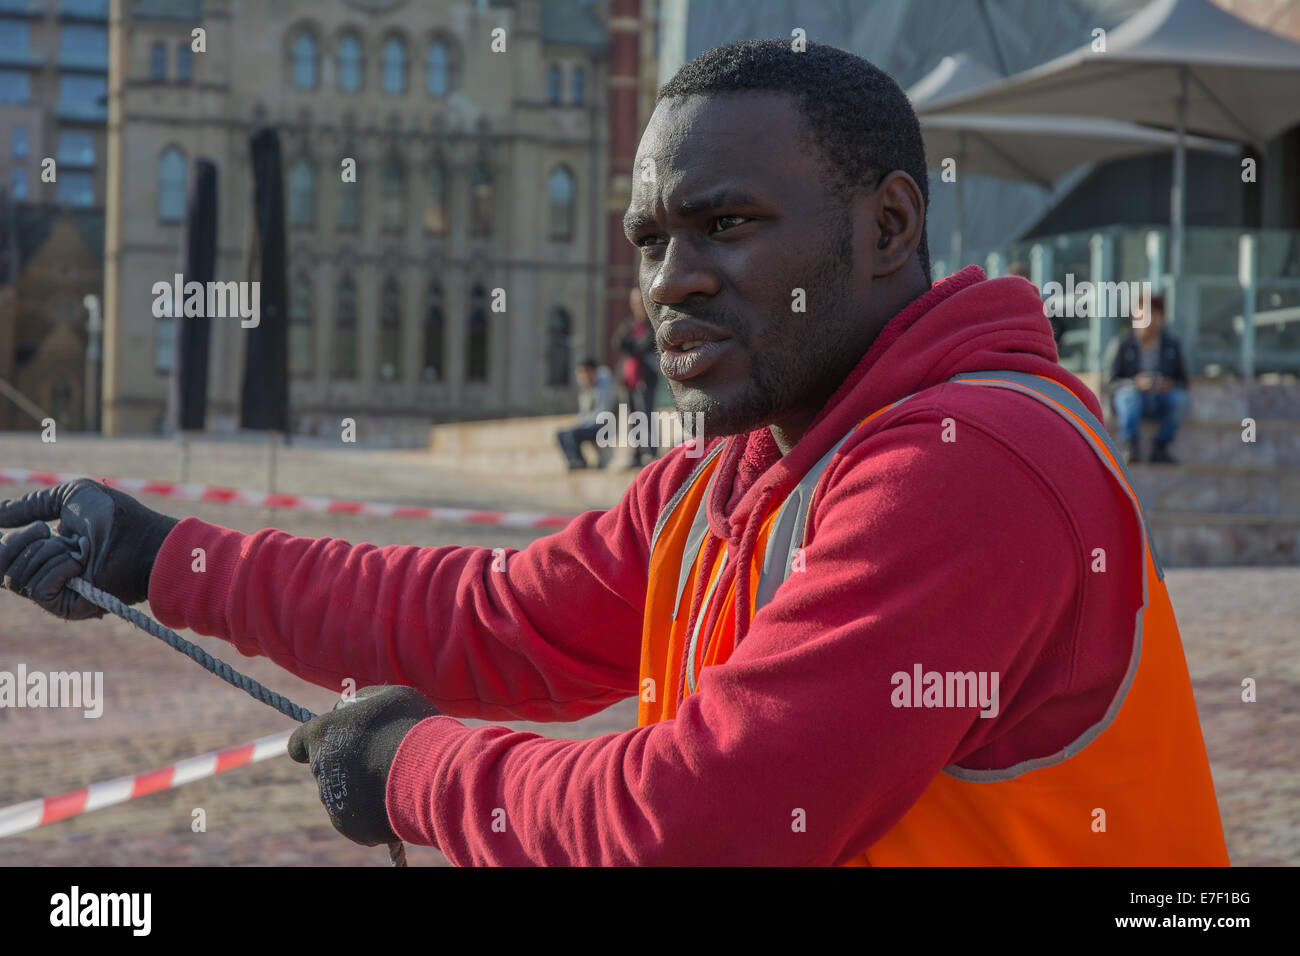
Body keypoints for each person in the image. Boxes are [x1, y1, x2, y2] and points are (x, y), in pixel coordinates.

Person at [0, 40, 1227, 866]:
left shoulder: (977, 461)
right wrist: (164, 556)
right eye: (647, 240)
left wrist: (413, 767)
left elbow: (699, 819)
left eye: (725, 224)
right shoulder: (731, 476)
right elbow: (488, 620)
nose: (669, 280)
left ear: (889, 224)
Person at [1106, 294, 1189, 464]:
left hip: (1160, 398)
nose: (1148, 322)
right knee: (1128, 395)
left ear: (1162, 319)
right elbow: (1112, 383)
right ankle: (1130, 446)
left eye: (1154, 316)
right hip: (1133, 398)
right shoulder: (1122, 344)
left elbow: (1183, 381)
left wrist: (1168, 384)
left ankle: (1161, 446)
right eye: (1143, 316)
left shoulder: (1171, 346)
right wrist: (1135, 383)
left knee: (1180, 399)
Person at [615, 287, 660, 468]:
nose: (637, 306)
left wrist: (631, 345)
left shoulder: (652, 324)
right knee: (633, 418)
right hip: (628, 380)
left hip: (645, 378)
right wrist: (633, 345)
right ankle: (636, 454)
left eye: (640, 302)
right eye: (634, 303)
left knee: (645, 416)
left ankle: (650, 452)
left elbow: (644, 346)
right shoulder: (629, 324)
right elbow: (617, 341)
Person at [556, 358, 614, 470]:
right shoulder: (585, 391)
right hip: (590, 425)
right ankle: (575, 461)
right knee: (562, 434)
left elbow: (602, 413)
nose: (581, 377)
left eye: (584, 372)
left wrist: (584, 425)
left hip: (603, 426)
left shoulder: (603, 389)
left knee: (574, 434)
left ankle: (579, 462)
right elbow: (583, 415)